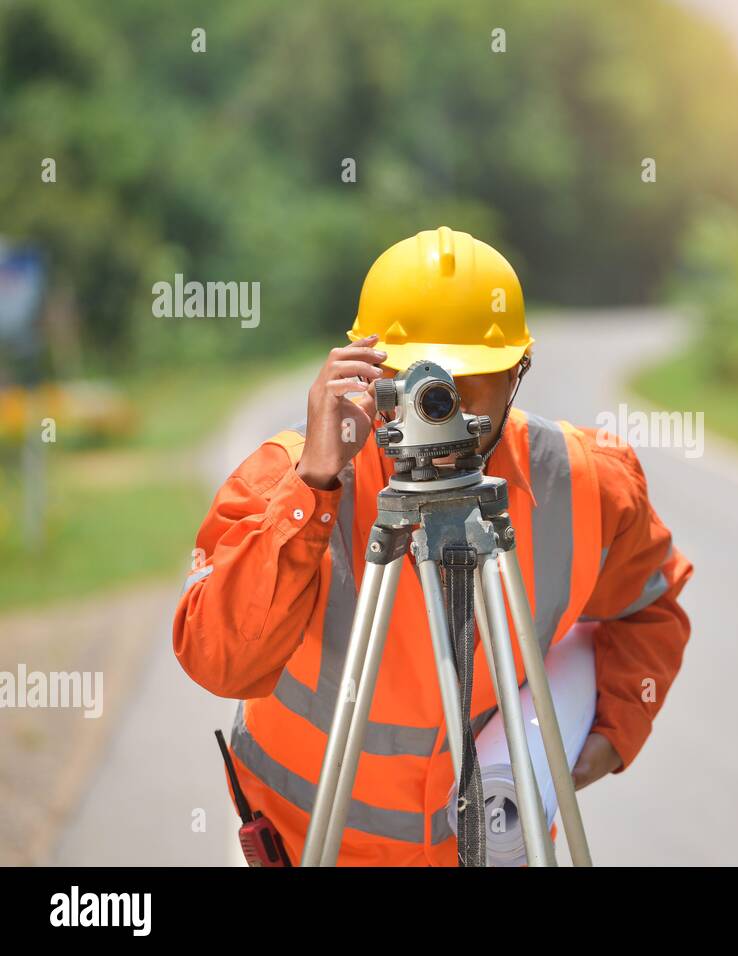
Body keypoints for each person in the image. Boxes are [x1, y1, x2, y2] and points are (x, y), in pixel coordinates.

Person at [173, 227, 694, 865]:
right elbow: (219, 662)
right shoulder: (286, 479)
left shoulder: (585, 485)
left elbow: (651, 607)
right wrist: (313, 482)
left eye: (470, 379)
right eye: (417, 377)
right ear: (366, 366)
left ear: (517, 373)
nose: (439, 406)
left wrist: (613, 728)